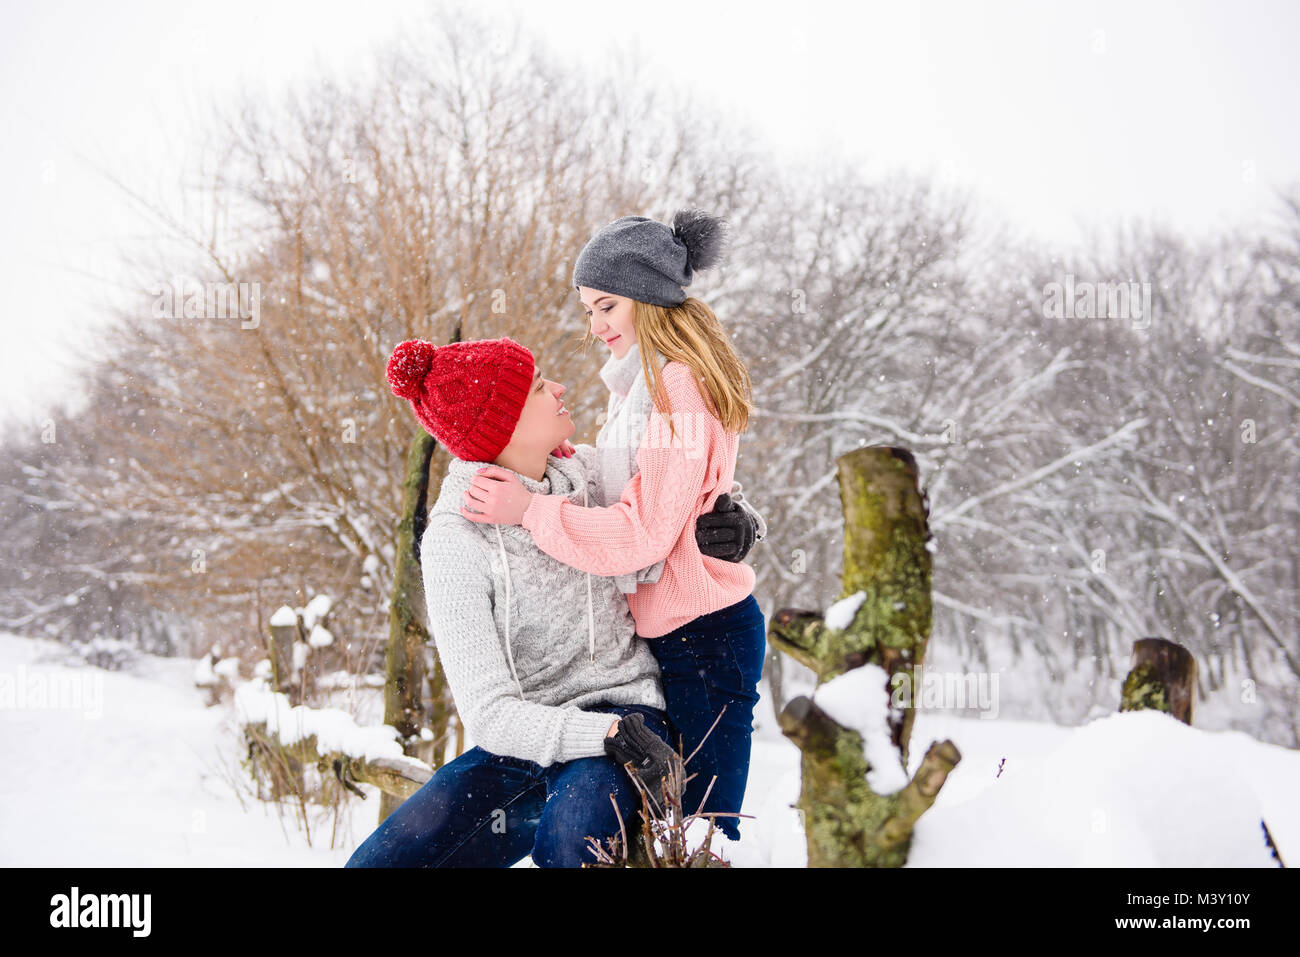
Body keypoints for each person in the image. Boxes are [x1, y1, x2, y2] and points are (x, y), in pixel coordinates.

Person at [345, 334, 755, 868]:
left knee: (571, 843)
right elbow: (489, 714)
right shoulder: (454, 541)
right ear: (504, 425)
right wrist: (598, 734)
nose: (558, 387)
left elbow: (684, 487)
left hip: (627, 718)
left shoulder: (588, 478)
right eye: (539, 386)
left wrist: (742, 523)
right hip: (527, 739)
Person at [460, 208, 769, 843]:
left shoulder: (677, 389)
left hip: (705, 640)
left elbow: (642, 533)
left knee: (700, 828)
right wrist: (560, 465)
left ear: (649, 300)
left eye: (606, 307)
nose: (595, 327)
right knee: (667, 820)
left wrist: (531, 510)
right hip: (681, 634)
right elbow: (663, 484)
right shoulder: (644, 387)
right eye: (588, 311)